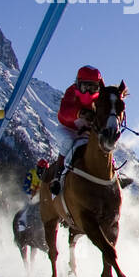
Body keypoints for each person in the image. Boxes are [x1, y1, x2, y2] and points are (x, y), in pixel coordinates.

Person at [52, 66, 104, 194]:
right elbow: (64, 112)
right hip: (67, 129)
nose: (88, 93)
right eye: (85, 87)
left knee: (101, 144)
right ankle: (57, 177)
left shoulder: (101, 98)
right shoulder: (71, 92)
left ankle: (115, 174)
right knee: (68, 142)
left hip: (86, 132)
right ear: (77, 84)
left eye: (93, 88)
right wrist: (79, 113)